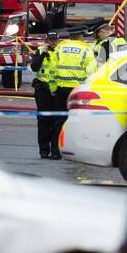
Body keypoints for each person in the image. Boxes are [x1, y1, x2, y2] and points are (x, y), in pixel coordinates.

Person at [47, 27, 97, 159]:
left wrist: (53, 88)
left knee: (58, 120)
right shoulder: (87, 50)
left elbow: (52, 70)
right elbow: (91, 73)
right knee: (79, 121)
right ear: (81, 36)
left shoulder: (60, 48)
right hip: (77, 91)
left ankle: (55, 152)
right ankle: (76, 152)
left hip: (61, 90)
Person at [29, 31, 59, 159]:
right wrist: (43, 54)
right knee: (43, 121)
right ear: (46, 41)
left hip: (56, 90)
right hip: (42, 89)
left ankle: (55, 150)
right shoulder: (40, 51)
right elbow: (34, 67)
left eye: (54, 40)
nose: (52, 42)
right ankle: (43, 150)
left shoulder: (60, 52)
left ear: (58, 41)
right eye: (50, 40)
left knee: (56, 121)